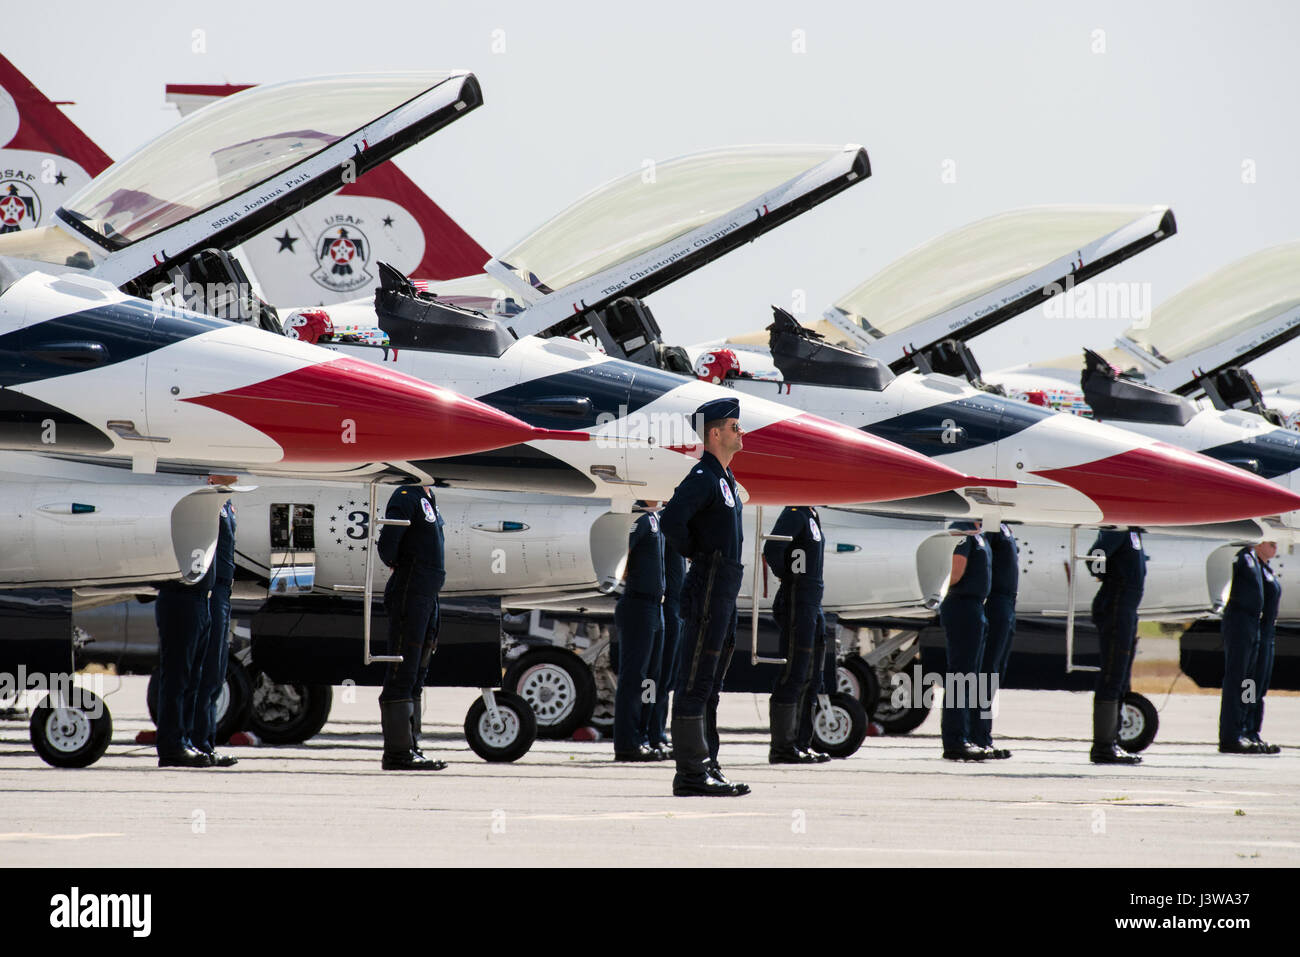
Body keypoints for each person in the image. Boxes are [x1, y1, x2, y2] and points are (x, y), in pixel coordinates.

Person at [659, 397, 749, 797]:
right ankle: (691, 773)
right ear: (715, 434)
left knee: (711, 682)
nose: (740, 431)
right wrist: (696, 553)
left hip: (725, 587)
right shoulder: (703, 477)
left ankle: (708, 764)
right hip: (709, 585)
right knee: (695, 679)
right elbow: (671, 519)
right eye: (733, 426)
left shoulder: (725, 480)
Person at [376, 484, 448, 771]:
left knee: (418, 670)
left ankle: (411, 746)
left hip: (428, 592)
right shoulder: (406, 496)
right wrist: (402, 566)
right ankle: (397, 752)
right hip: (411, 589)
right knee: (402, 669)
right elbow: (387, 546)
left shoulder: (428, 496)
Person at [764, 505, 830, 764]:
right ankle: (783, 747)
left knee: (812, 674)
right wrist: (790, 578)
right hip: (797, 599)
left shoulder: (812, 513)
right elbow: (772, 549)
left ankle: (801, 742)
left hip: (813, 601)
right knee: (795, 672)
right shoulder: (795, 512)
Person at [184, 498, 239, 767]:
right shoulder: (208, 501)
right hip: (211, 587)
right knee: (205, 670)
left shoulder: (225, 502)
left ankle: (205, 742)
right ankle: (193, 742)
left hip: (223, 589)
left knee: (216, 672)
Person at [155, 546, 218, 768]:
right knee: (177, 678)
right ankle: (171, 745)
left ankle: (184, 741)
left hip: (200, 600)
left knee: (192, 680)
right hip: (181, 599)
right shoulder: (183, 521)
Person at [1087, 527, 1145, 765]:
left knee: (1120, 677)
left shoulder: (1134, 532)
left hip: (1127, 610)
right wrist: (1104, 577)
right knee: (1112, 674)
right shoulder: (1119, 528)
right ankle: (1103, 746)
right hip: (1116, 606)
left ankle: (1112, 741)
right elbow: (1095, 558)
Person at [613, 500, 666, 761]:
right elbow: (621, 553)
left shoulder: (654, 518)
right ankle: (627, 743)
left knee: (651, 679)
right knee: (634, 679)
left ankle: (644, 736)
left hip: (656, 607)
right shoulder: (639, 518)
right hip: (638, 605)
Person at [1218, 542, 1282, 754]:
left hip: (1257, 627)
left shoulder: (1253, 559)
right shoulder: (1239, 554)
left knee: (1251, 684)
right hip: (1241, 623)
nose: (1274, 543)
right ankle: (1233, 733)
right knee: (1239, 680)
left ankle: (1248, 729)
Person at [939, 520, 991, 761]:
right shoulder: (963, 530)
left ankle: (967, 737)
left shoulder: (978, 531)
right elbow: (955, 573)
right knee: (960, 676)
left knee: (969, 676)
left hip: (975, 606)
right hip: (962, 605)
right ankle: (955, 740)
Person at [973, 522, 1017, 760]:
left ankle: (984, 736)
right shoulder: (990, 527)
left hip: (1007, 603)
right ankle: (978, 736)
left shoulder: (1003, 526)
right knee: (985, 672)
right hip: (996, 602)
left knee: (993, 674)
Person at [646, 541, 685, 759]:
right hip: (666, 609)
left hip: (676, 611)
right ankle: (651, 733)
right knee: (655, 678)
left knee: (665, 680)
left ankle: (658, 733)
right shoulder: (666, 526)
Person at [1247, 542, 1282, 754]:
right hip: (1256, 634)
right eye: (1269, 543)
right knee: (1248, 684)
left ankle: (1253, 731)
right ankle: (1243, 726)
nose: (1275, 545)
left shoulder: (1266, 569)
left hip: (1267, 634)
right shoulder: (1253, 567)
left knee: (1259, 687)